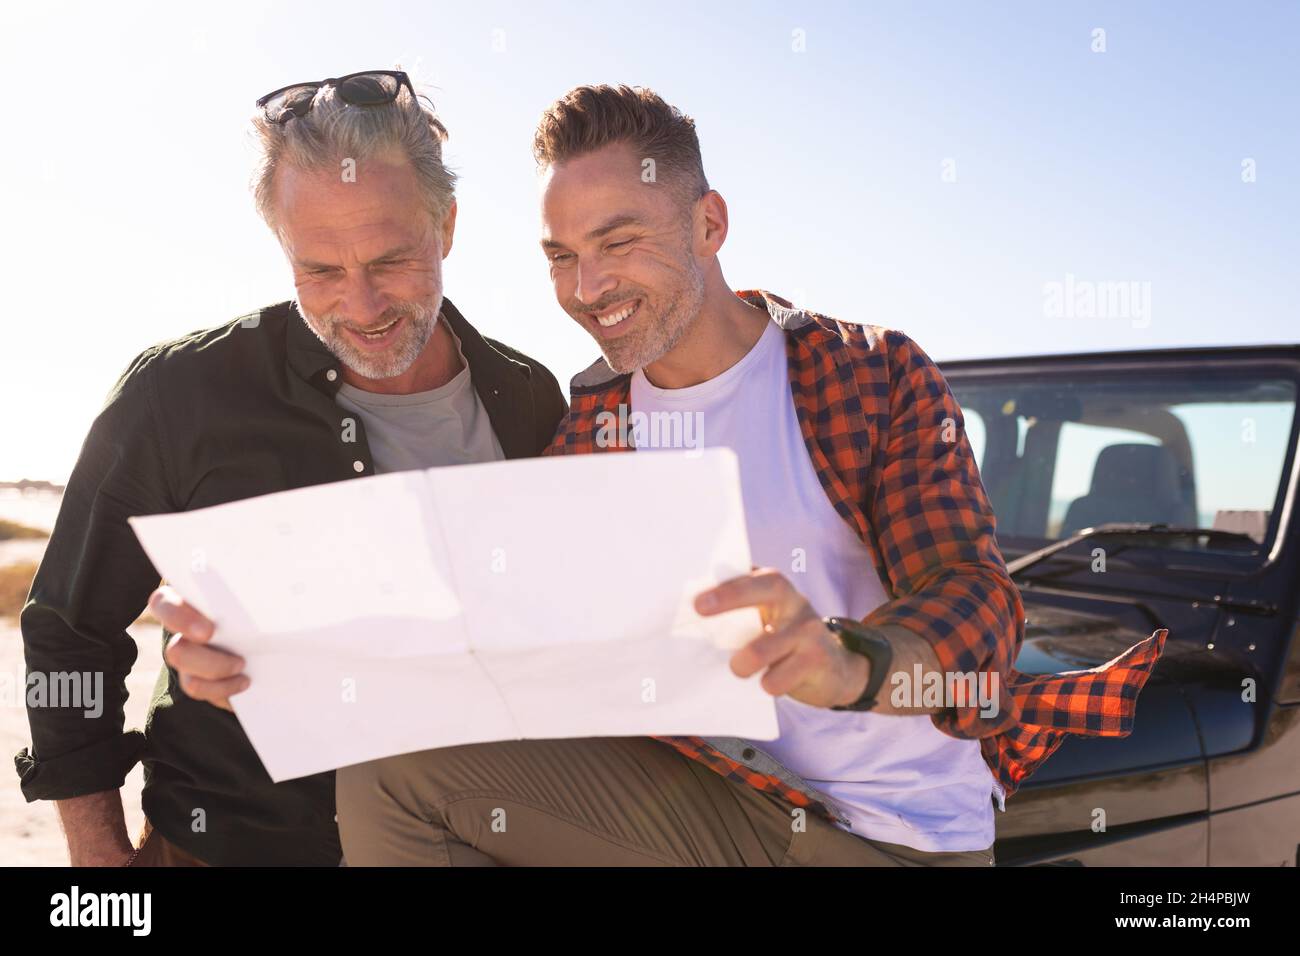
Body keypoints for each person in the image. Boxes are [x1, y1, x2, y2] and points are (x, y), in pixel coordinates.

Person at [330, 85, 1166, 866]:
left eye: (619, 242)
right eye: (560, 256)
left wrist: (853, 665)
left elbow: (977, 609)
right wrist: (274, 644)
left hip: (887, 835)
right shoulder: (592, 428)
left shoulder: (868, 374)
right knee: (390, 764)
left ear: (709, 224)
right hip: (710, 797)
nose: (587, 289)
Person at [16, 69, 565, 866]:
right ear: (282, 246)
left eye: (392, 259)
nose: (364, 304)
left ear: (446, 225)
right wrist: (101, 865)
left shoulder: (528, 398)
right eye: (320, 271)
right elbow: (67, 634)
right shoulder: (176, 397)